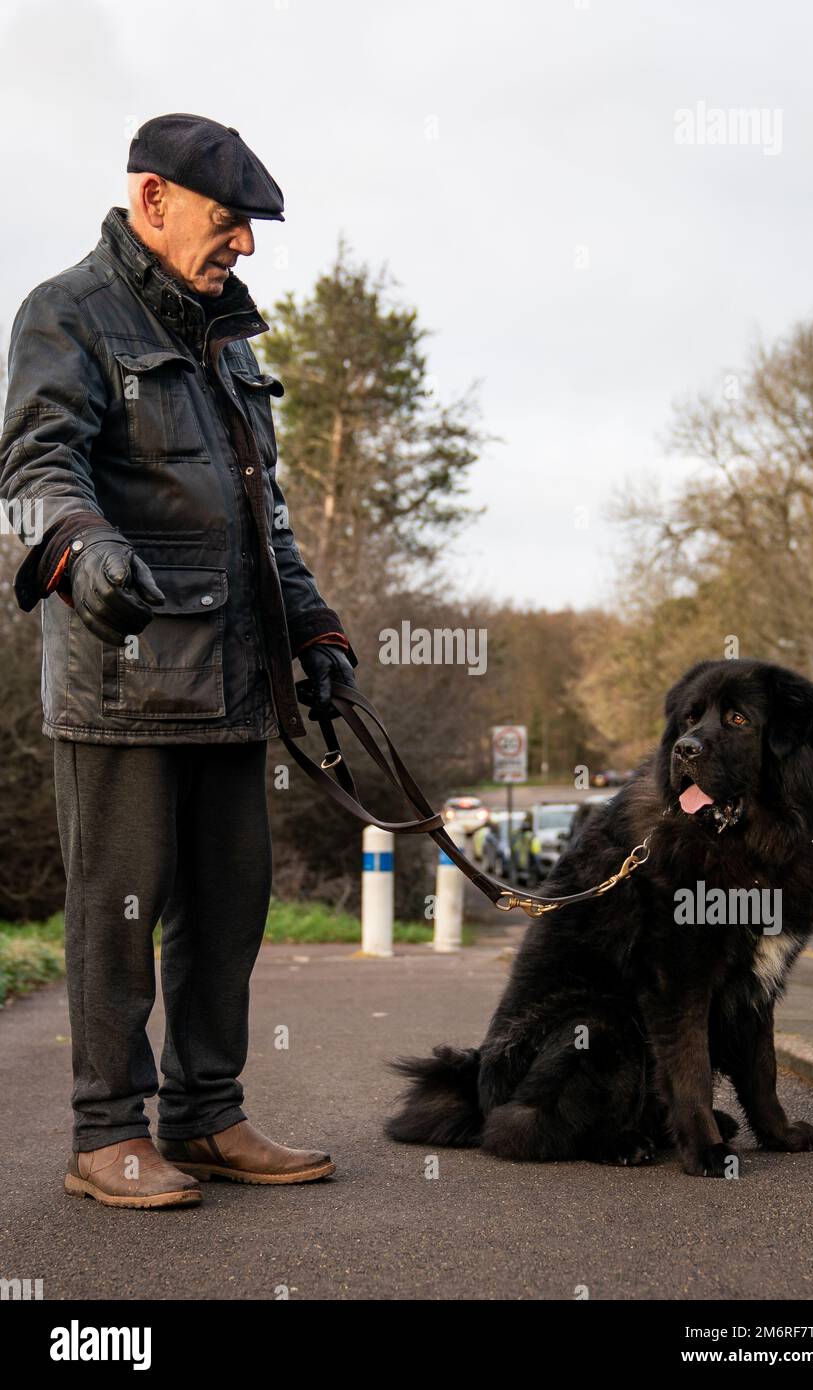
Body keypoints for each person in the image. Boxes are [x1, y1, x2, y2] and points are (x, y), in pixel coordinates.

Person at [0, 112, 357, 1209]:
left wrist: (314, 629)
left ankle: (205, 1116)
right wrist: (82, 546)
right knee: (119, 911)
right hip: (124, 681)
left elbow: (268, 523)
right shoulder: (65, 313)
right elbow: (33, 467)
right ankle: (105, 1134)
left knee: (230, 901)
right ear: (151, 199)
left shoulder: (228, 343)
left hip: (233, 686)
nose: (243, 244)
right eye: (228, 219)